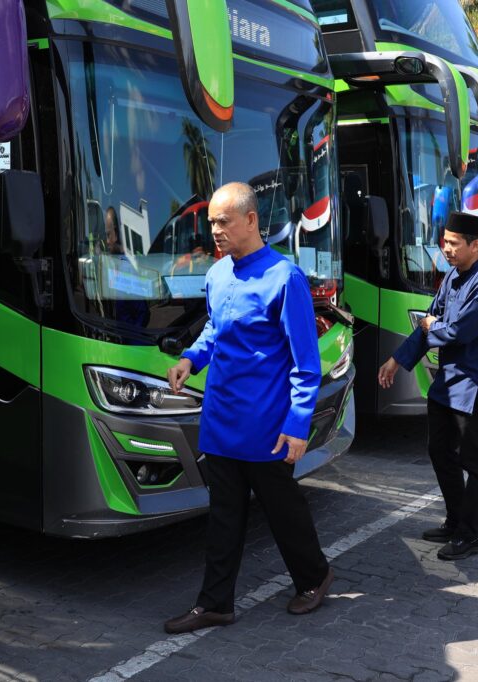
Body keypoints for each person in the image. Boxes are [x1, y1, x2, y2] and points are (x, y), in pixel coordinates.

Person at [163, 182, 333, 634]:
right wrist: (189, 359)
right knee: (223, 515)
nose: (215, 230)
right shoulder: (218, 274)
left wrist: (298, 425)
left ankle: (314, 576)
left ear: (252, 220)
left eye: (224, 221)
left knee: (283, 511)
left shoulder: (285, 277)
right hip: (221, 419)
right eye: (212, 222)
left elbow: (305, 363)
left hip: (266, 427)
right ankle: (215, 603)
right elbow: (216, 332)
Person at [378, 211, 478, 561]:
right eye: (444, 241)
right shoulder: (452, 275)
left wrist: (433, 324)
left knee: (475, 464)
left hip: (474, 389)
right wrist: (397, 360)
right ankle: (454, 520)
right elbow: (427, 326)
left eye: (453, 243)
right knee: (439, 452)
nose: (445, 249)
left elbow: (459, 331)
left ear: (475, 245)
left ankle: (469, 535)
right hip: (446, 386)